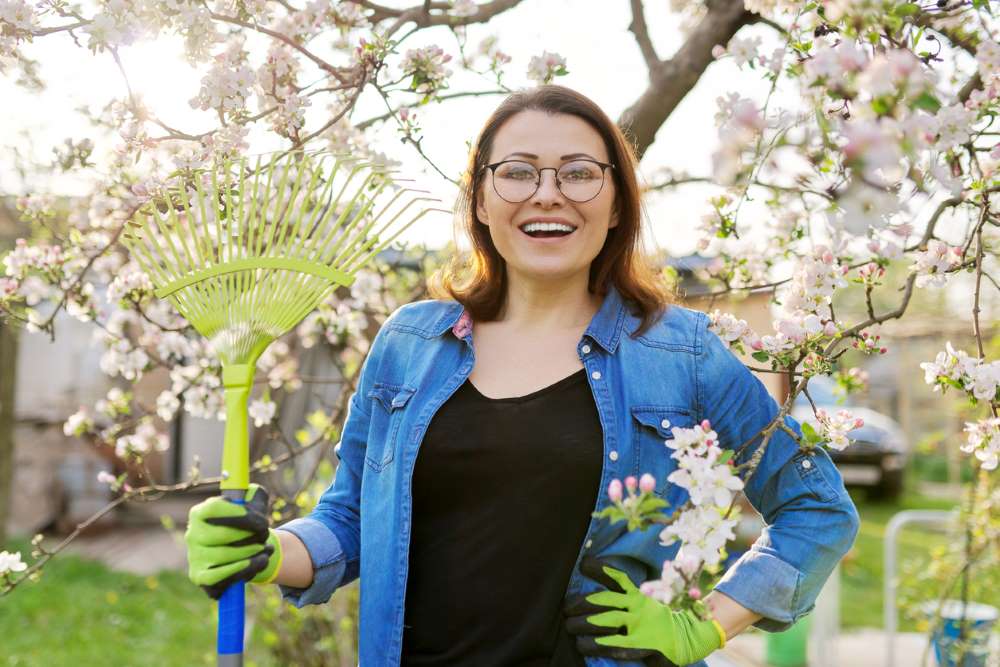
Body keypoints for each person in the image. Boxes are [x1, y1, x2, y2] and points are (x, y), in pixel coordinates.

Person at [184, 84, 860, 667]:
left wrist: (706, 625)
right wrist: (268, 551)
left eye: (578, 173)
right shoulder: (410, 343)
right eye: (517, 172)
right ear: (480, 200)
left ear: (617, 204)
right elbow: (353, 518)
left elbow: (817, 508)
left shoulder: (680, 352)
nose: (547, 194)